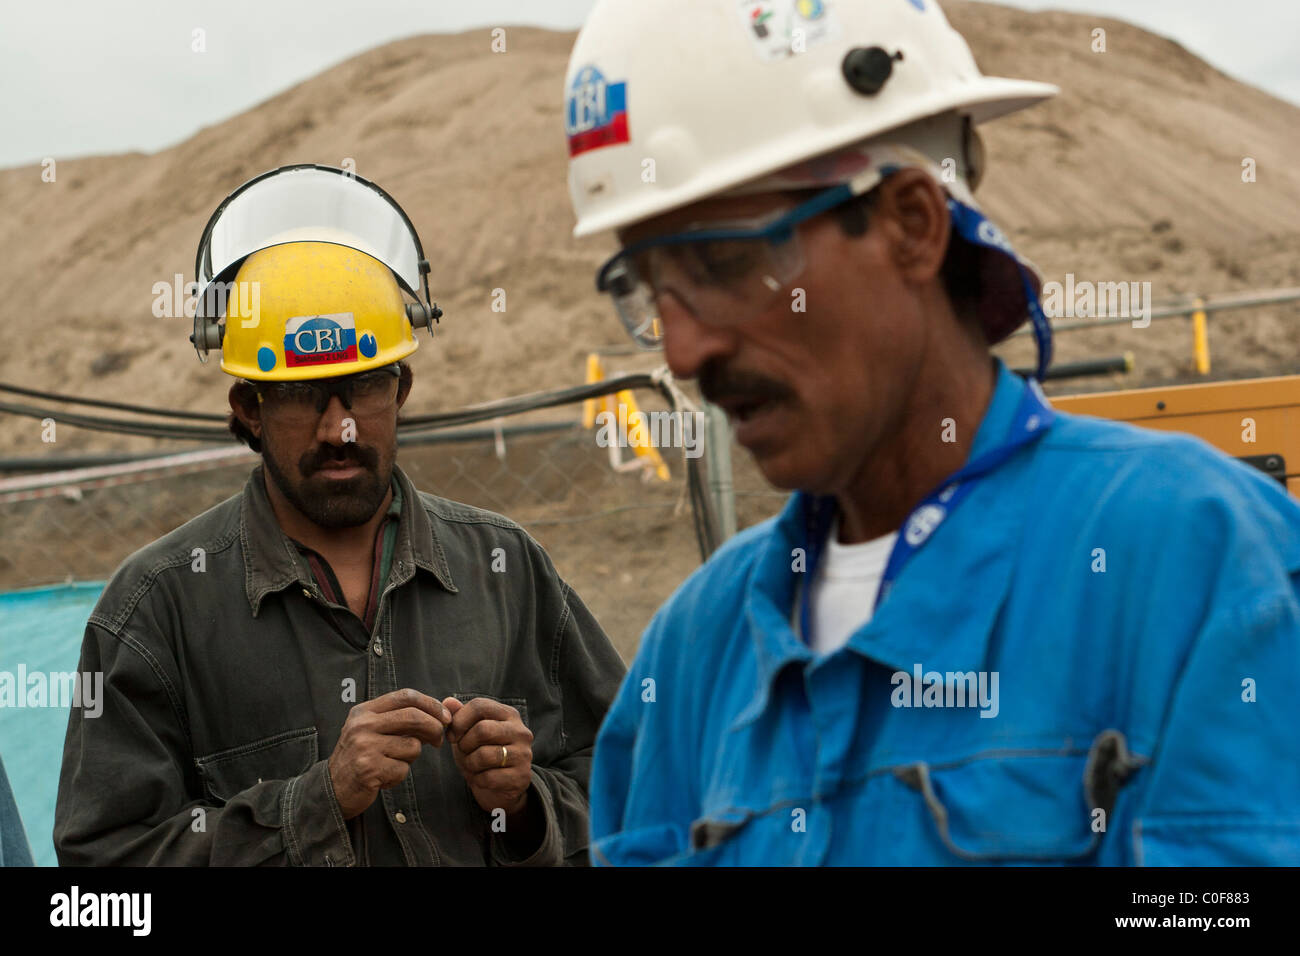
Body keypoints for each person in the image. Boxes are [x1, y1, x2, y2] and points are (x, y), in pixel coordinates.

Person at [564, 0, 1300, 864]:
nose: (684, 350)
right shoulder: (693, 650)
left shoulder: (1198, 560)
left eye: (726, 263)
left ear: (912, 224)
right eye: (648, 288)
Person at [54, 165, 625, 866]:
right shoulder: (157, 611)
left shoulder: (506, 571)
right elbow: (103, 874)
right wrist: (316, 803)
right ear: (249, 410)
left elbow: (641, 786)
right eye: (302, 397)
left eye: (361, 389)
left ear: (401, 389)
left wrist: (525, 805)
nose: (339, 429)